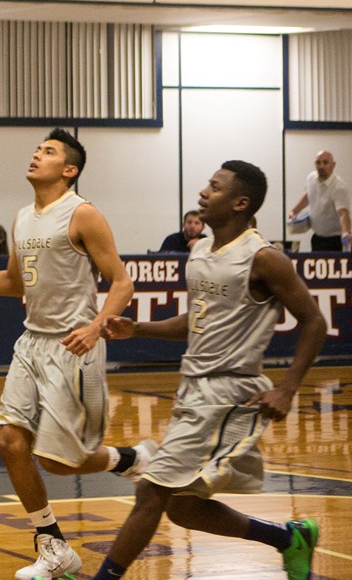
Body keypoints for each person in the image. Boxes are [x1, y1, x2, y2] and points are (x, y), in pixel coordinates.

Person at [91, 160, 326, 580]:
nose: (203, 192)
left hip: (230, 394)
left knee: (152, 489)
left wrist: (288, 389)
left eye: (214, 188)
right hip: (193, 390)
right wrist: (138, 327)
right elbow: (195, 321)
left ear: (240, 203)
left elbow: (314, 322)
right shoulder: (199, 251)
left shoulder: (264, 258)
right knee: (183, 507)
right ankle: (289, 539)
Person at [0, 129, 143, 580]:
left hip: (72, 344)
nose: (35, 155)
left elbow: (121, 282)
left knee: (57, 461)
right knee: (10, 442)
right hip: (30, 343)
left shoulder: (83, 214)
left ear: (69, 169)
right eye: (36, 149)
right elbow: (12, 284)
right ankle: (53, 545)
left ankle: (132, 459)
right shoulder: (23, 217)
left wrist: (96, 326)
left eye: (47, 152)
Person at [289, 149, 350, 252]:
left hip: (334, 240)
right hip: (317, 237)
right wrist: (294, 211)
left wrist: (346, 232)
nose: (321, 166)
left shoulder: (339, 187)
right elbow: (308, 195)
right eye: (318, 163)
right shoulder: (311, 178)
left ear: (333, 165)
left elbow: (343, 213)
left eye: (325, 163)